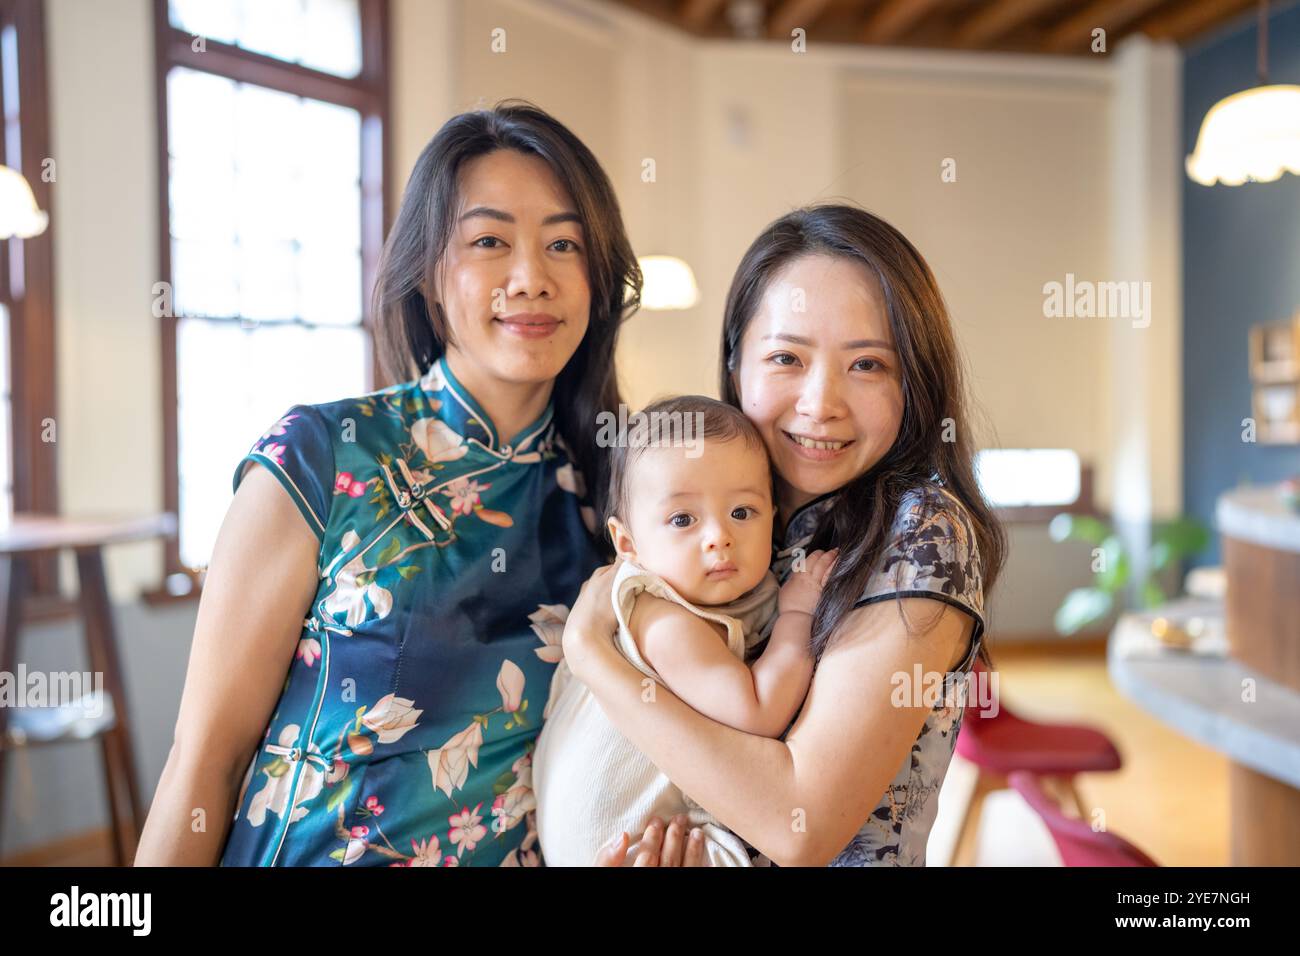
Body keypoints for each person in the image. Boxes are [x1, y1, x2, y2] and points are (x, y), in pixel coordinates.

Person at [135, 101, 642, 866]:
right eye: (489, 241)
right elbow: (205, 758)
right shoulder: (322, 457)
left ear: (597, 279)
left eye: (563, 244)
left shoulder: (620, 502)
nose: (531, 277)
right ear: (431, 275)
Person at [566, 204, 1007, 867]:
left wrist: (591, 654)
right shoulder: (730, 509)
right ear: (735, 362)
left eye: (868, 366)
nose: (820, 401)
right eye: (785, 357)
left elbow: (799, 826)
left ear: (914, 382)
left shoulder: (921, 532)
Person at [532, 395, 835, 866]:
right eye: (682, 520)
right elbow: (756, 712)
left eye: (741, 512)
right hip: (625, 841)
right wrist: (798, 619)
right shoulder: (659, 616)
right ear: (628, 544)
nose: (719, 535)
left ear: (772, 516)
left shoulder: (711, 596)